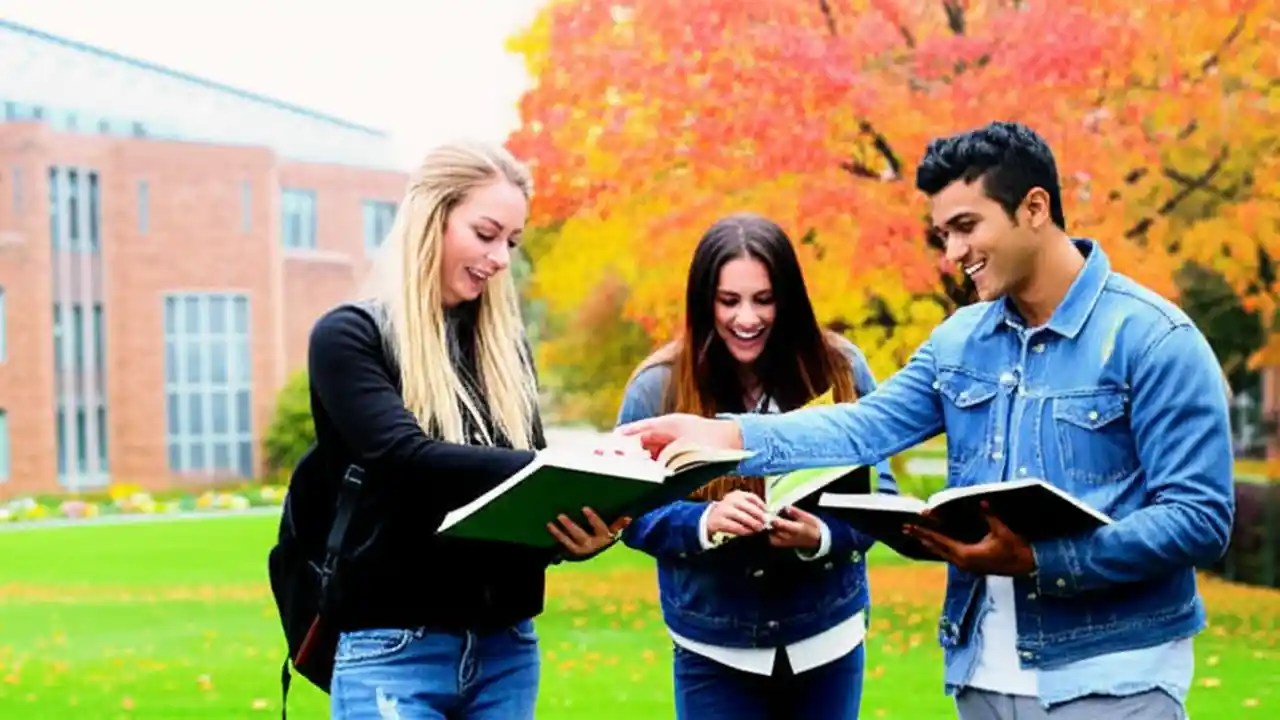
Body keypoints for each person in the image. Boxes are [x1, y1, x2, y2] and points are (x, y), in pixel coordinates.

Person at [617, 122, 1234, 720]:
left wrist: (1046, 561)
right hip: (981, 676)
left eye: (966, 228)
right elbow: (863, 427)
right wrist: (730, 436)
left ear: (1035, 207)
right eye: (943, 234)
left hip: (1113, 674)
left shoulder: (1155, 341)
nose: (953, 254)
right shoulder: (960, 339)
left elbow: (1199, 519)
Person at [306, 140, 625, 719]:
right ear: (433, 217)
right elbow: (406, 461)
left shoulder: (504, 351)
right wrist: (567, 464)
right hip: (392, 649)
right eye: (486, 233)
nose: (501, 257)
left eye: (512, 241)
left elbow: (512, 500)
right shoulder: (350, 338)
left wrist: (573, 530)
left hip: (507, 649)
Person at [615, 213, 900, 720]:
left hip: (827, 640)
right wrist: (702, 523)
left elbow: (884, 496)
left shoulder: (842, 369)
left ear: (788, 298)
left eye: (763, 299)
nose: (747, 318)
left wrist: (824, 536)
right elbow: (626, 513)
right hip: (712, 648)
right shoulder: (655, 387)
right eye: (729, 301)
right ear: (704, 301)